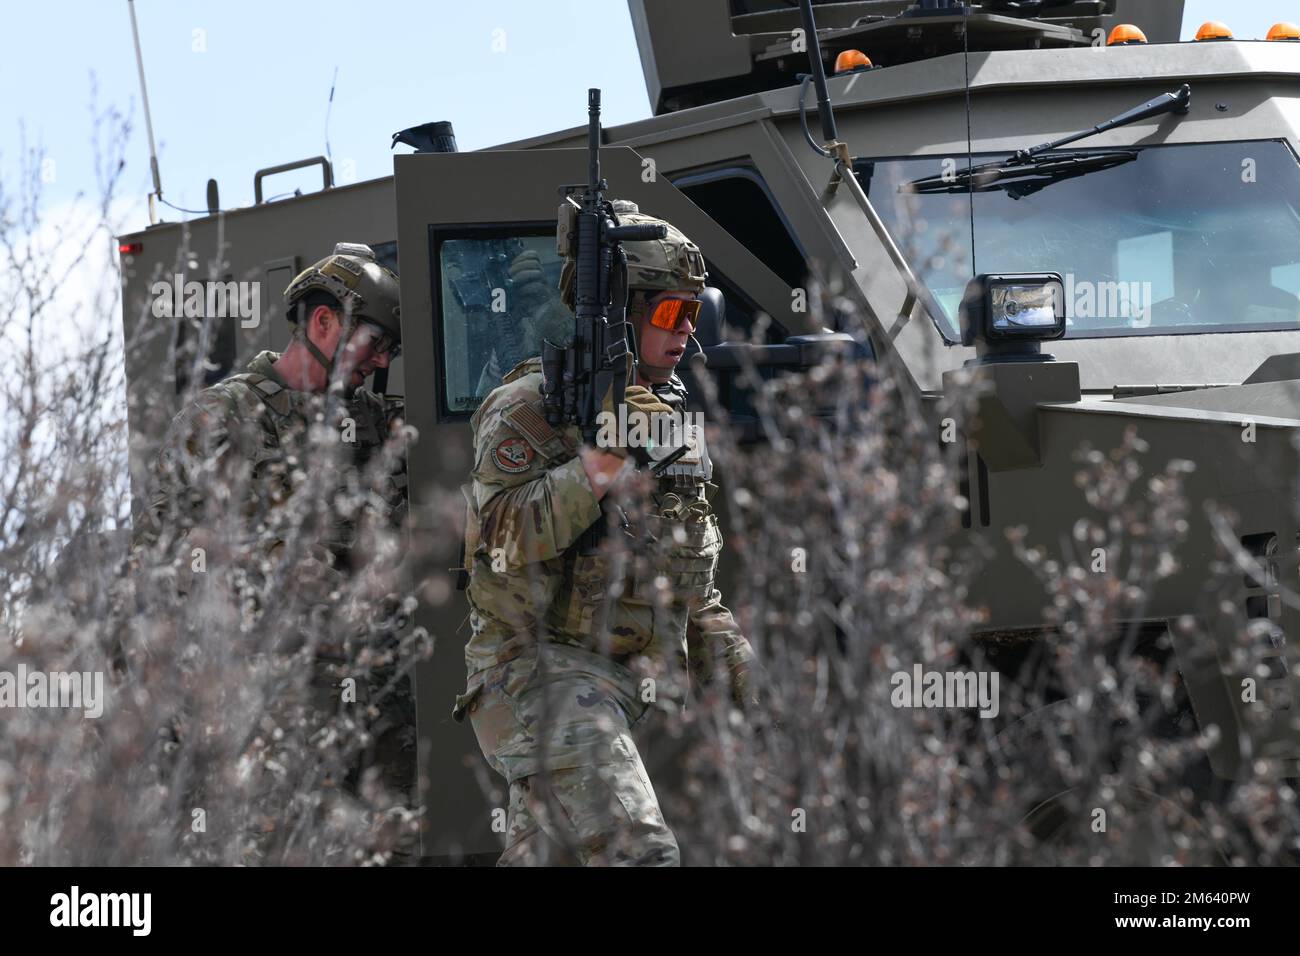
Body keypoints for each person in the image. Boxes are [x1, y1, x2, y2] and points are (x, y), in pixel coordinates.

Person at [453, 203, 755, 866]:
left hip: (629, 681)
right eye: (670, 314)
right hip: (535, 670)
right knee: (639, 852)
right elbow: (495, 543)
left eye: (694, 312)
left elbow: (692, 578)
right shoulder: (532, 406)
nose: (687, 335)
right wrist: (600, 462)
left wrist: (738, 673)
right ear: (625, 312)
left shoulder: (671, 419)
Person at [132, 242, 415, 831]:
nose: (380, 362)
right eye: (375, 342)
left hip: (375, 707)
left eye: (390, 350)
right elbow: (156, 564)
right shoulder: (223, 418)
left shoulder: (376, 426)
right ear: (322, 321)